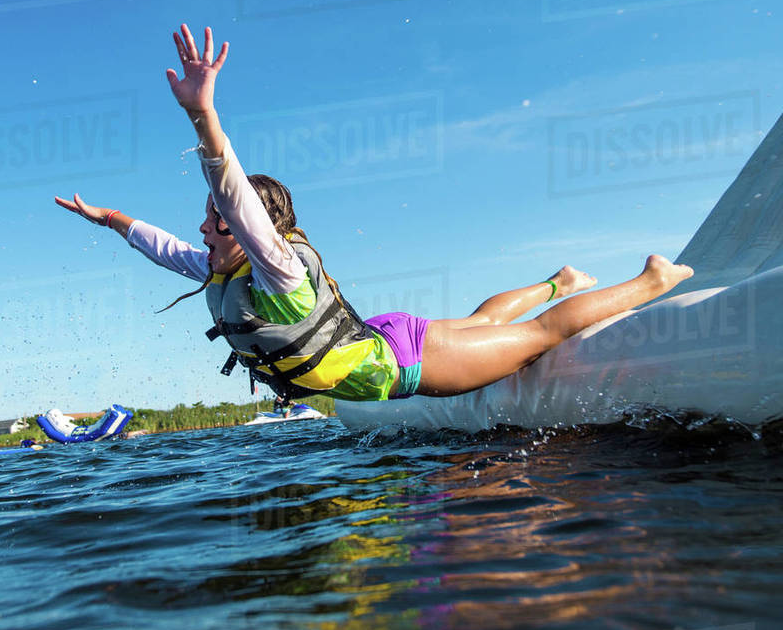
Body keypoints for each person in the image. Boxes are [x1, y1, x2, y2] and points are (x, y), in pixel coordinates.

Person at [55, 25, 694, 404]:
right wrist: (107, 216)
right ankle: (563, 278)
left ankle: (650, 282)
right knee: (475, 322)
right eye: (209, 221)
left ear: (253, 232)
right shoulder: (226, 270)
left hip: (401, 363)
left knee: (540, 338)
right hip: (380, 336)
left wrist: (202, 115)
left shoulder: (276, 268)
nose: (206, 228)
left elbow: (233, 195)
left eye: (218, 221)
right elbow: (161, 246)